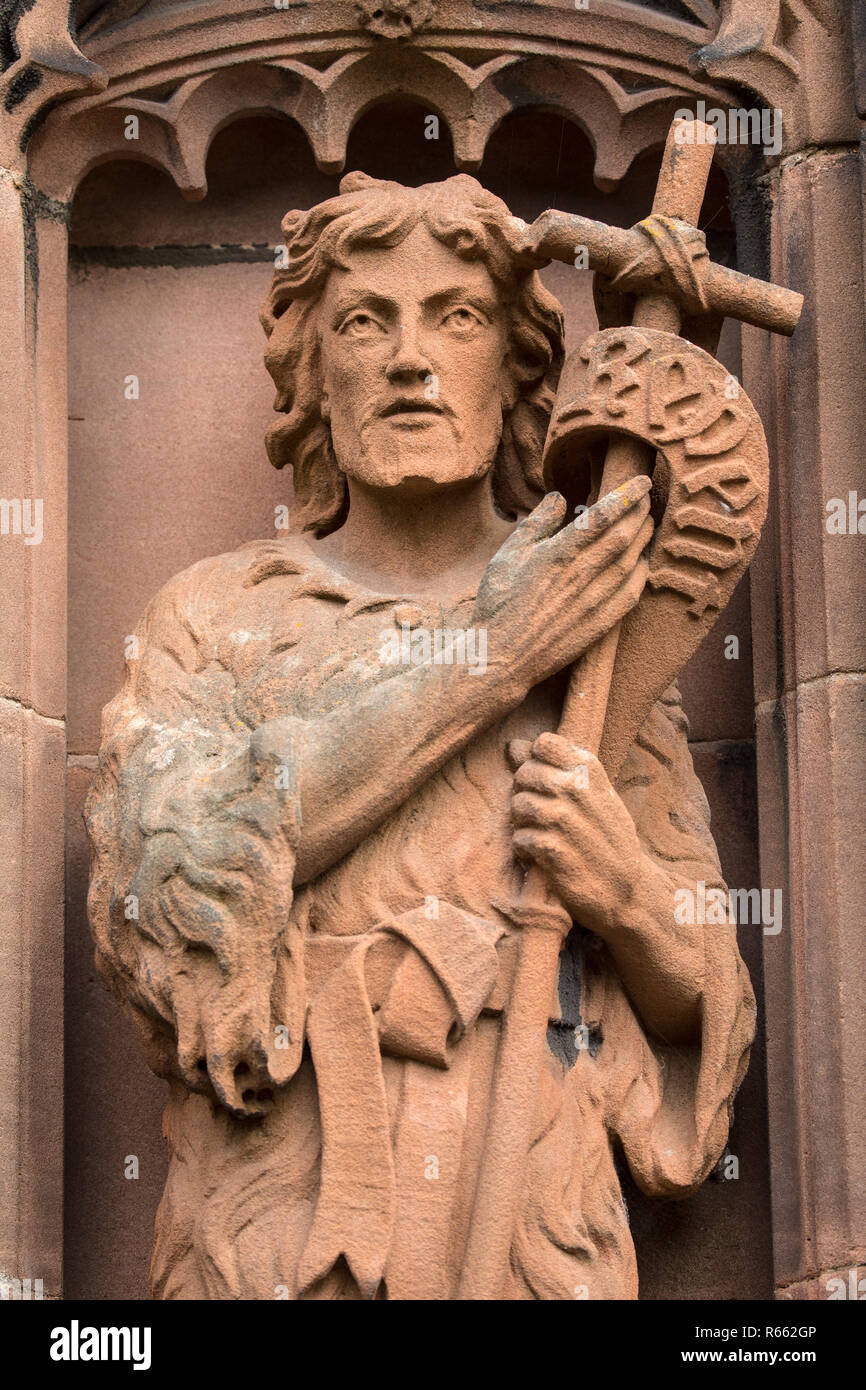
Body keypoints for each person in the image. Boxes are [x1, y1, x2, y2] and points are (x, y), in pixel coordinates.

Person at [85, 173, 755, 1300]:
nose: (408, 357)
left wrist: (625, 893)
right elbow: (166, 895)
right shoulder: (217, 615)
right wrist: (492, 655)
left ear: (515, 367)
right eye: (363, 321)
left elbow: (707, 994)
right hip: (279, 1207)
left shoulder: (600, 642)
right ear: (313, 373)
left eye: (457, 316)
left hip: (529, 1195)